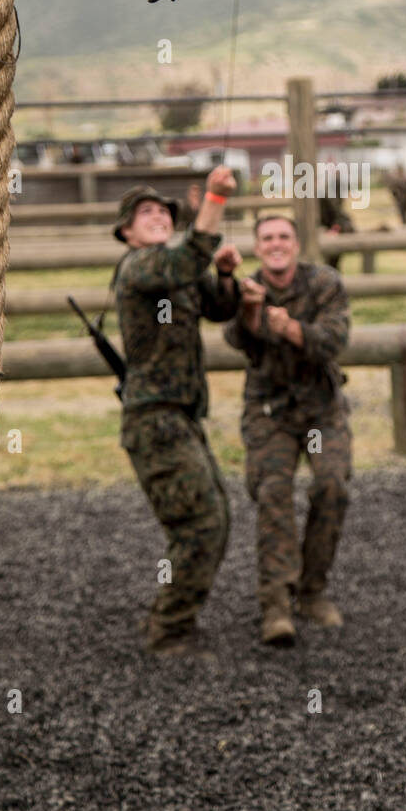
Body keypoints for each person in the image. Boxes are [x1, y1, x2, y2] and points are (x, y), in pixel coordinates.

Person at [114, 169, 242, 655]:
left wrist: (226, 275)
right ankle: (169, 627)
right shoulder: (140, 267)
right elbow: (189, 256)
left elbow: (217, 306)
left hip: (180, 418)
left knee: (215, 516)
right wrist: (215, 199)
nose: (158, 216)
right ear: (127, 232)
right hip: (155, 420)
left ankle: (175, 618)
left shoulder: (176, 271)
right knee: (201, 523)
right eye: (145, 213)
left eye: (165, 212)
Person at [223, 214, 352, 646]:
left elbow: (334, 341)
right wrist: (251, 312)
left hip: (320, 410)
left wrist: (292, 329)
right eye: (267, 238)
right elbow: (236, 340)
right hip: (270, 412)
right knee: (273, 493)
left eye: (283, 237)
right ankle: (276, 605)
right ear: (257, 248)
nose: (276, 244)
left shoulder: (325, 283)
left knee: (331, 486)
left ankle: (313, 591)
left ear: (296, 244)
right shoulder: (247, 289)